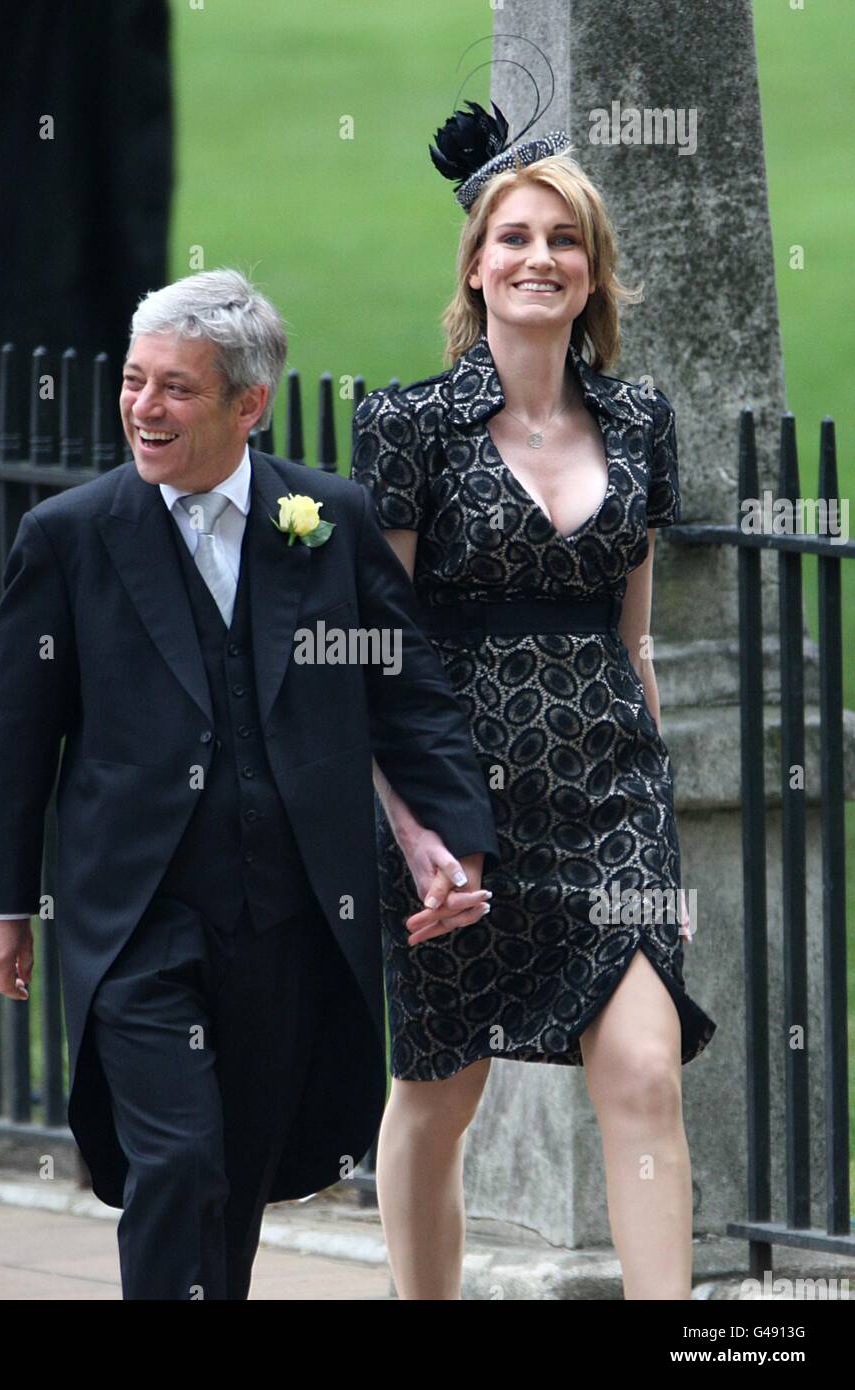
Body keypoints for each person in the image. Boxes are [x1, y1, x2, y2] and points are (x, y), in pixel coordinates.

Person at [0, 267, 500, 1300]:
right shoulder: (70, 537)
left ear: (248, 404)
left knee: (239, 1169)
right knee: (176, 1159)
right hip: (137, 915)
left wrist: (453, 837)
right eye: (133, 381)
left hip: (287, 914)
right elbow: (17, 732)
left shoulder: (327, 521)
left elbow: (407, 695)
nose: (143, 408)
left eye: (175, 389)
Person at [350, 99, 717, 1301]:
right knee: (438, 1086)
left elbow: (636, 633)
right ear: (474, 262)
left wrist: (654, 785)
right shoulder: (409, 426)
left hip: (609, 783)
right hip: (457, 797)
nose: (537, 259)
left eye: (562, 240)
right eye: (513, 237)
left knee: (644, 1074)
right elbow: (376, 651)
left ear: (591, 269)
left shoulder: (640, 419)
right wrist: (408, 830)